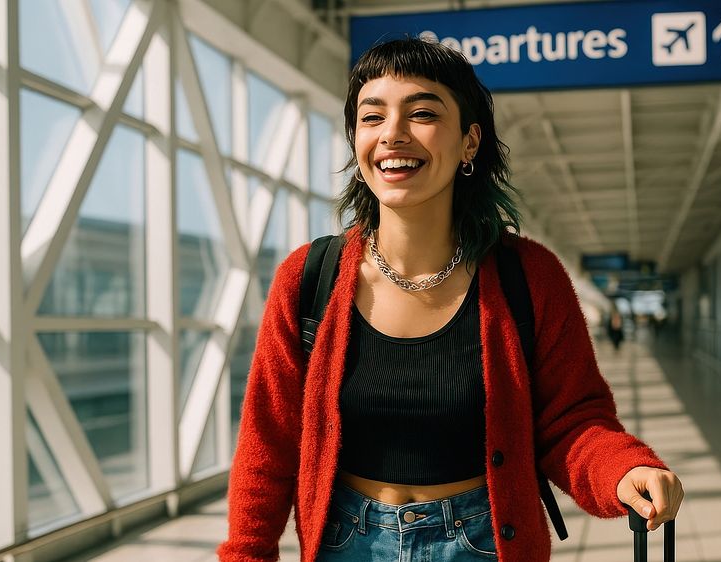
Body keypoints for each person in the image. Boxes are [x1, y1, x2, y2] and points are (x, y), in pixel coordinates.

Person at [217, 37, 683, 562]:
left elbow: (572, 420)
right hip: (345, 543)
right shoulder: (308, 278)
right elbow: (268, 442)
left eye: (421, 113)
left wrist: (624, 469)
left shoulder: (529, 277)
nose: (392, 133)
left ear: (469, 142)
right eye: (372, 118)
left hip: (484, 542)